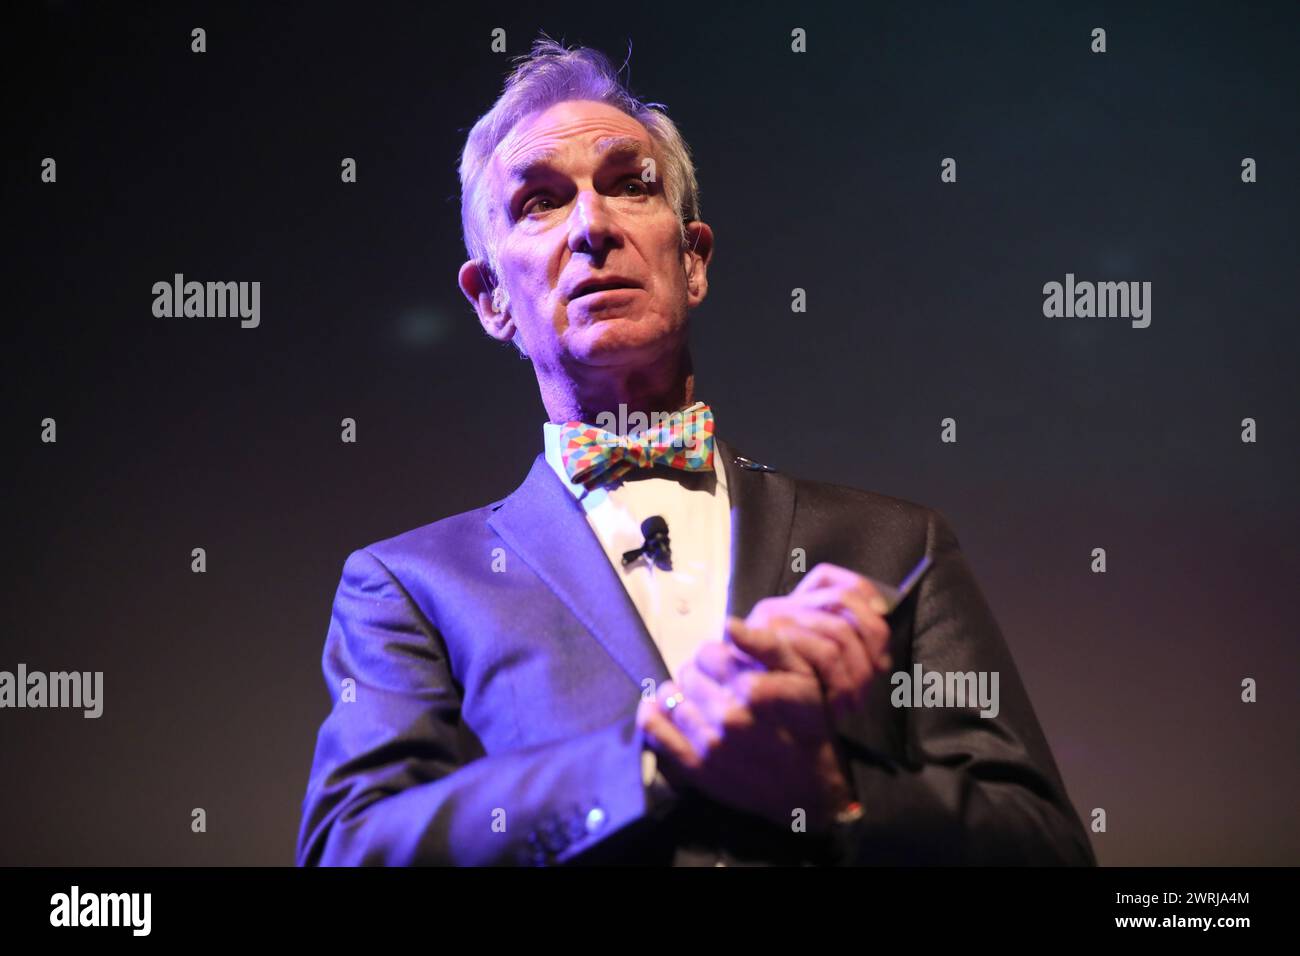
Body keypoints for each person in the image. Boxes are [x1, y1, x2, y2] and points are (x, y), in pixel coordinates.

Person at [295, 37, 1095, 866]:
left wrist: (839, 799)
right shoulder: (413, 587)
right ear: (491, 299)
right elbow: (352, 847)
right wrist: (656, 752)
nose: (592, 225)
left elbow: (1046, 849)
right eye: (538, 201)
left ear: (696, 259)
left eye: (629, 185)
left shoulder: (893, 547)